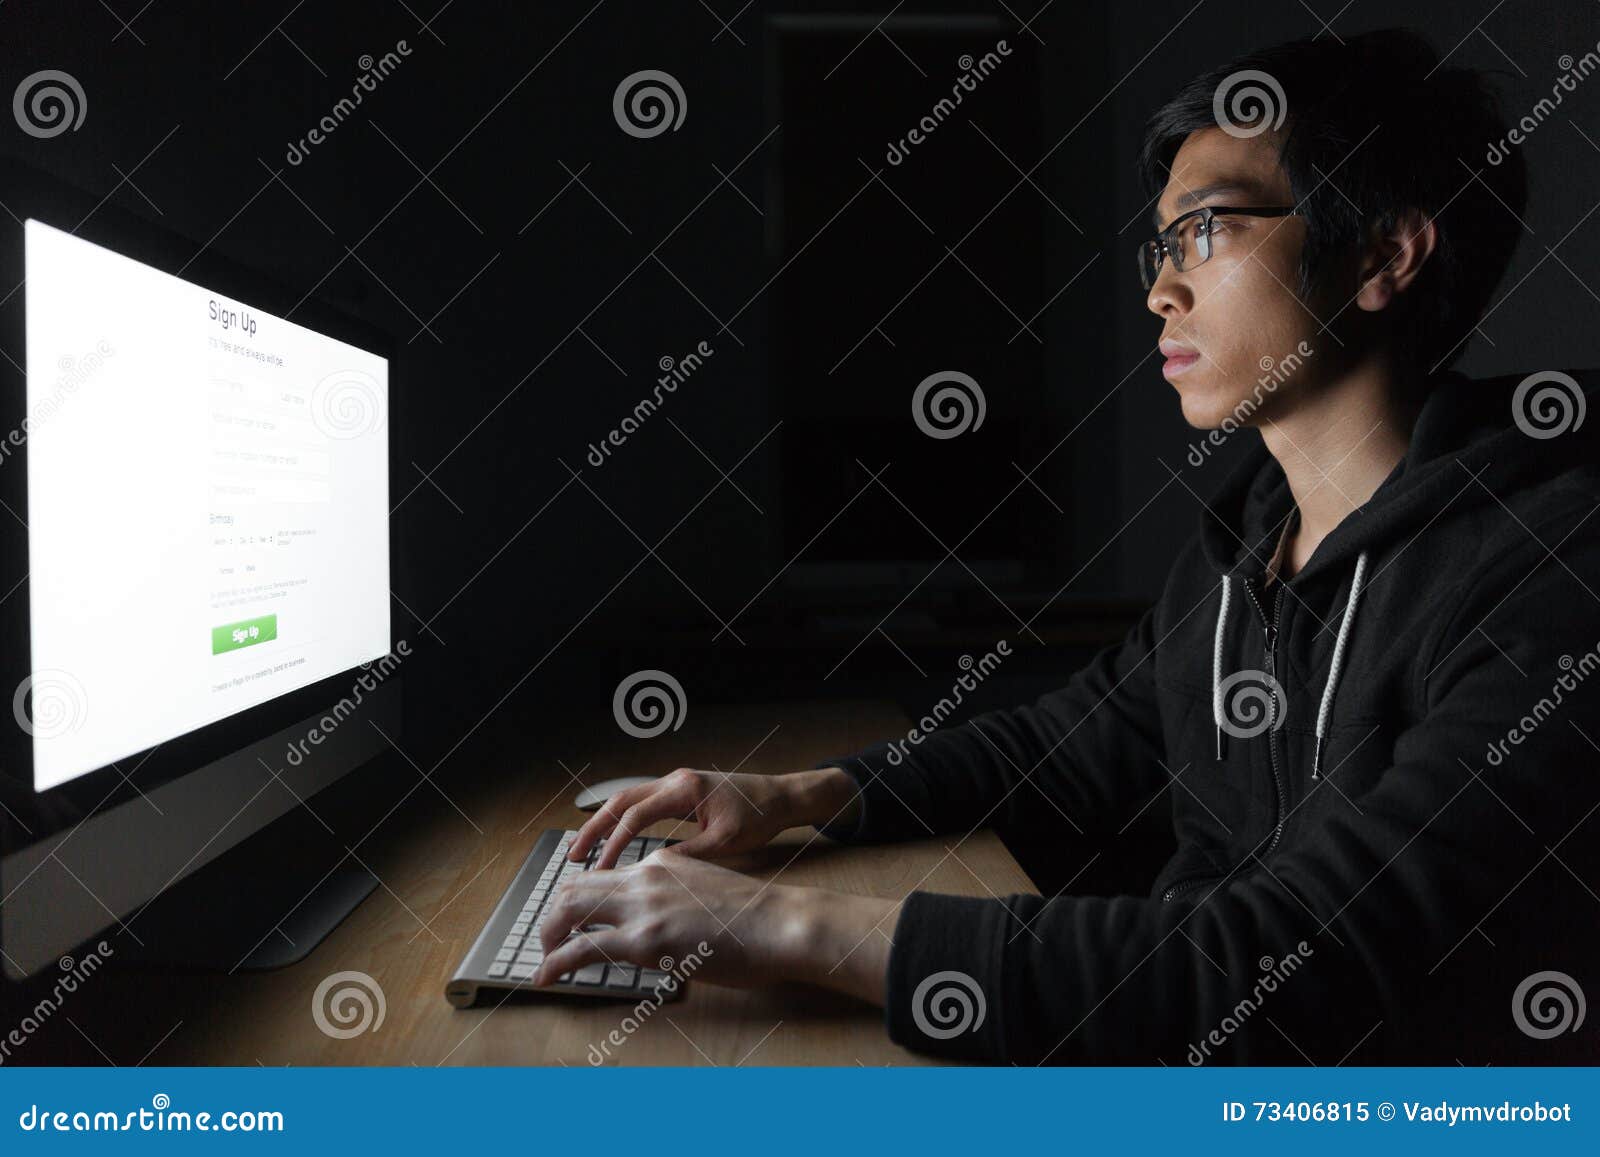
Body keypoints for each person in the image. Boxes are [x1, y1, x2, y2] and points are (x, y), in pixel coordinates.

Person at [532, 27, 1600, 1064]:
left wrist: (785, 926)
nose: (1159, 289)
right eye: (1159, 246)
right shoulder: (1248, 543)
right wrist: (797, 794)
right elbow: (1067, 746)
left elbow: (1306, 963)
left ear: (1384, 253)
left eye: (1207, 231)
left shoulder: (1544, 577)